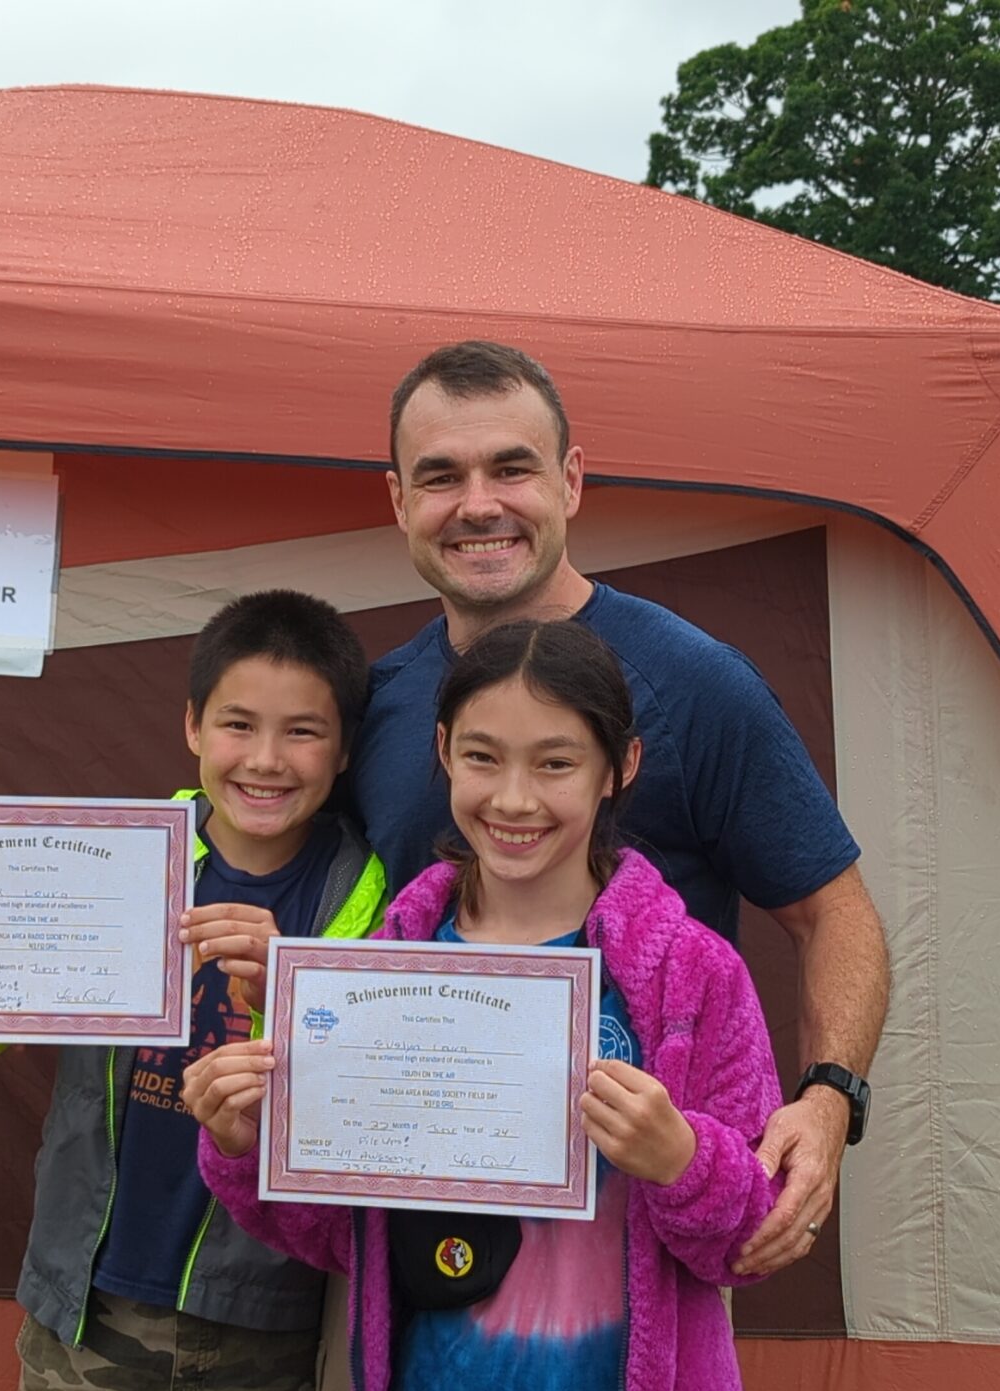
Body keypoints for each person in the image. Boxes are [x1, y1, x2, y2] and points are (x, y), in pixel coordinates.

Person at [351, 341, 886, 1274]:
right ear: (398, 501)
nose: (479, 504)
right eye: (441, 476)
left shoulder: (694, 684)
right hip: (421, 1225)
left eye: (511, 468)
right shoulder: (386, 701)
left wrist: (830, 1097)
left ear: (571, 481)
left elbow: (833, 910)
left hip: (643, 1250)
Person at [0, 591, 387, 1391]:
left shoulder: (368, 899)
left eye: (303, 731)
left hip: (267, 1317)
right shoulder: (108, 860)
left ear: (343, 752)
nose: (266, 759)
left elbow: (363, 1114)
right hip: (87, 1300)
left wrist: (293, 992)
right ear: (192, 726)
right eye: (237, 724)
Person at [186, 619, 781, 1391]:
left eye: (556, 763)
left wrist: (682, 1160)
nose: (512, 799)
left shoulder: (691, 975)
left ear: (622, 767)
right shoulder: (382, 968)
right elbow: (338, 1237)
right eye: (482, 757)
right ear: (442, 751)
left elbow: (757, 1237)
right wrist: (244, 1141)